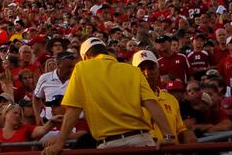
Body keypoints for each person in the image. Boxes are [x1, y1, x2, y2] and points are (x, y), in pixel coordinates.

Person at [43, 38, 174, 155]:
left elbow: (73, 110)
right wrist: (169, 136)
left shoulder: (82, 68)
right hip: (141, 141)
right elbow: (152, 104)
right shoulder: (133, 70)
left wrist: (60, 143)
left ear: (86, 56)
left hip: (109, 145)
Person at [131, 50, 192, 145]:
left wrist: (188, 135)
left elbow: (180, 130)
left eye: (151, 68)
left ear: (158, 69)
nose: (147, 73)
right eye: (141, 69)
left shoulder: (171, 99)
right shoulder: (129, 100)